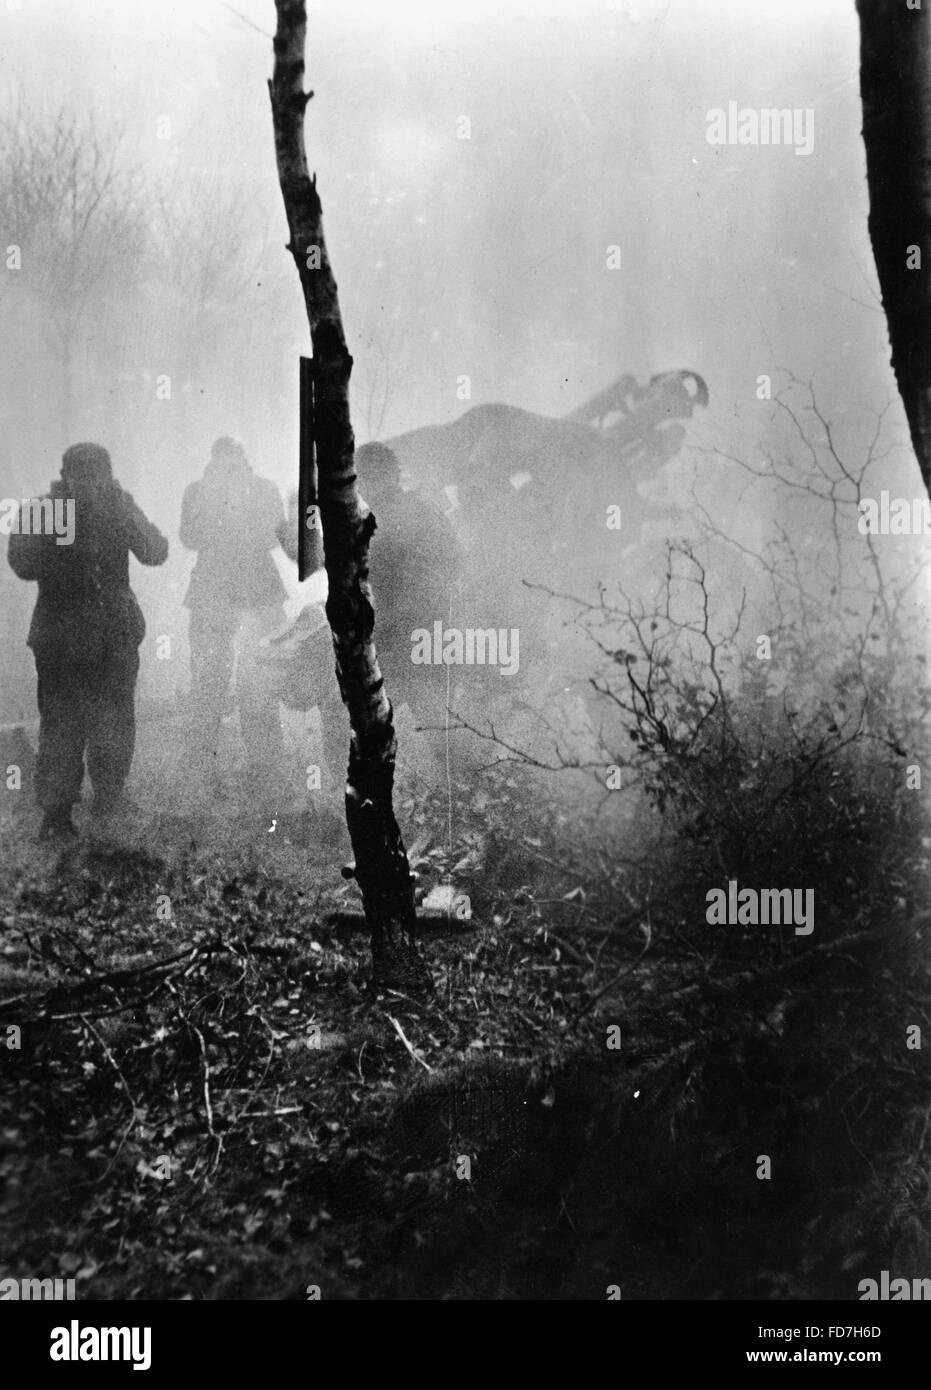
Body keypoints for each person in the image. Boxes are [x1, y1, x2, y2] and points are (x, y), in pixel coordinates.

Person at [7, 442, 168, 840]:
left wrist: (123, 510)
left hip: (111, 634)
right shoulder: (48, 509)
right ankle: (57, 814)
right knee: (63, 723)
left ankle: (110, 796)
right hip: (63, 637)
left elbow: (155, 551)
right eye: (84, 476)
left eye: (98, 477)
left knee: (114, 719)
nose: (92, 485)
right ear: (67, 477)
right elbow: (22, 564)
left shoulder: (117, 507)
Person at [180, 437, 288, 795]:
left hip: (246, 594)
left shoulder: (258, 489)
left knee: (259, 682)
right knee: (212, 685)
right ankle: (204, 771)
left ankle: (264, 769)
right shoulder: (200, 490)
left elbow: (275, 534)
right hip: (225, 595)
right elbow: (188, 536)